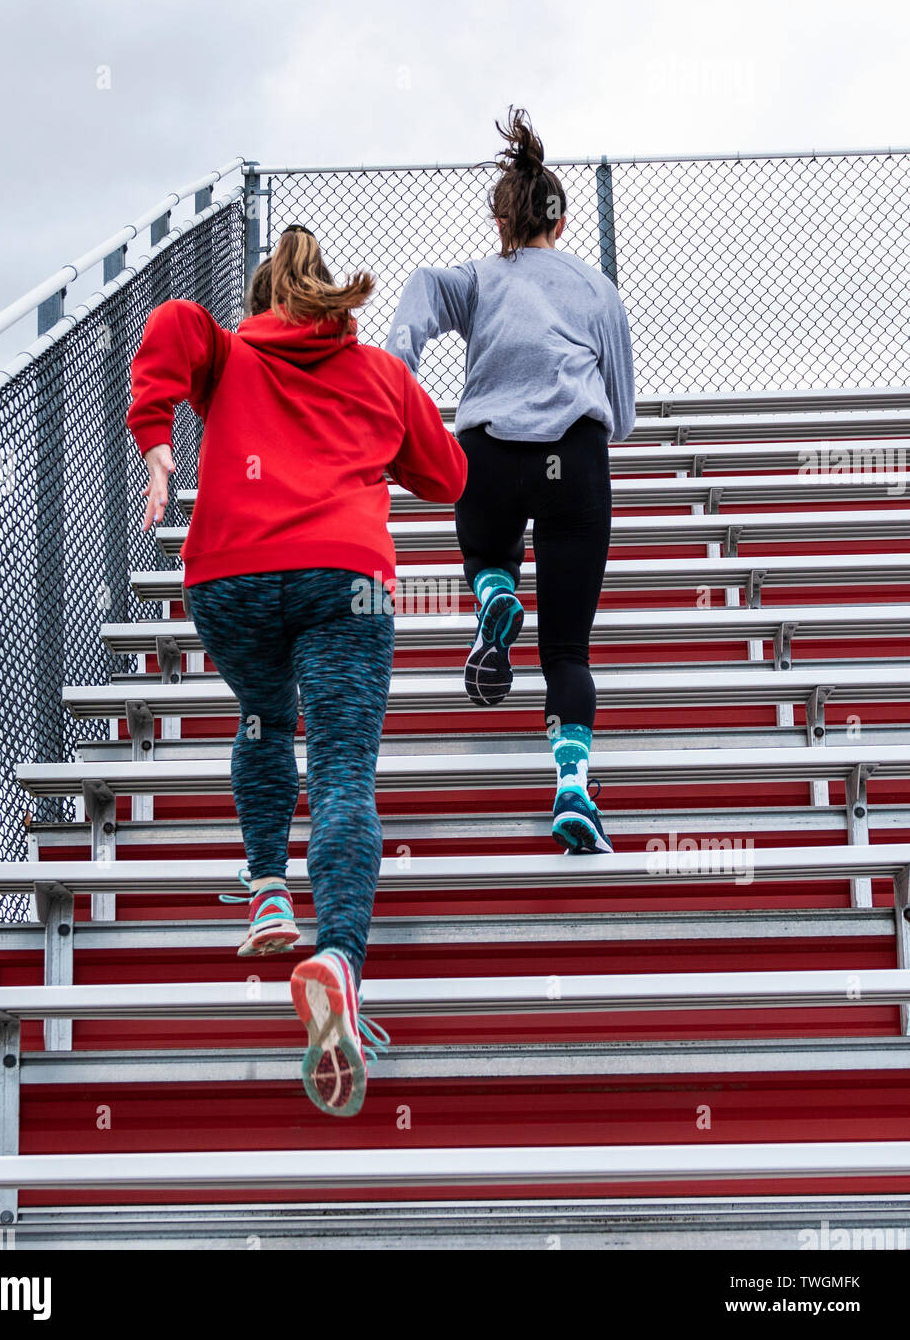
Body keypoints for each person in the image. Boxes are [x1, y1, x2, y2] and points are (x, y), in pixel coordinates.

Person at [126, 225, 467, 1116]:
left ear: (262, 298)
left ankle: (268, 893)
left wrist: (158, 433)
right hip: (341, 580)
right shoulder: (382, 376)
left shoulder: (232, 353)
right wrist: (379, 434)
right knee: (344, 766)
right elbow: (451, 476)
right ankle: (338, 958)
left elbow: (170, 321)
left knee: (264, 721)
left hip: (229, 580)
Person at [384, 107, 635, 855]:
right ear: (559, 221)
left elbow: (424, 285)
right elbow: (620, 413)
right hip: (575, 459)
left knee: (489, 552)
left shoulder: (480, 279)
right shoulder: (596, 290)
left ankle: (493, 593)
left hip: (490, 454)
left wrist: (401, 370)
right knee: (566, 653)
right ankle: (571, 786)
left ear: (502, 221)